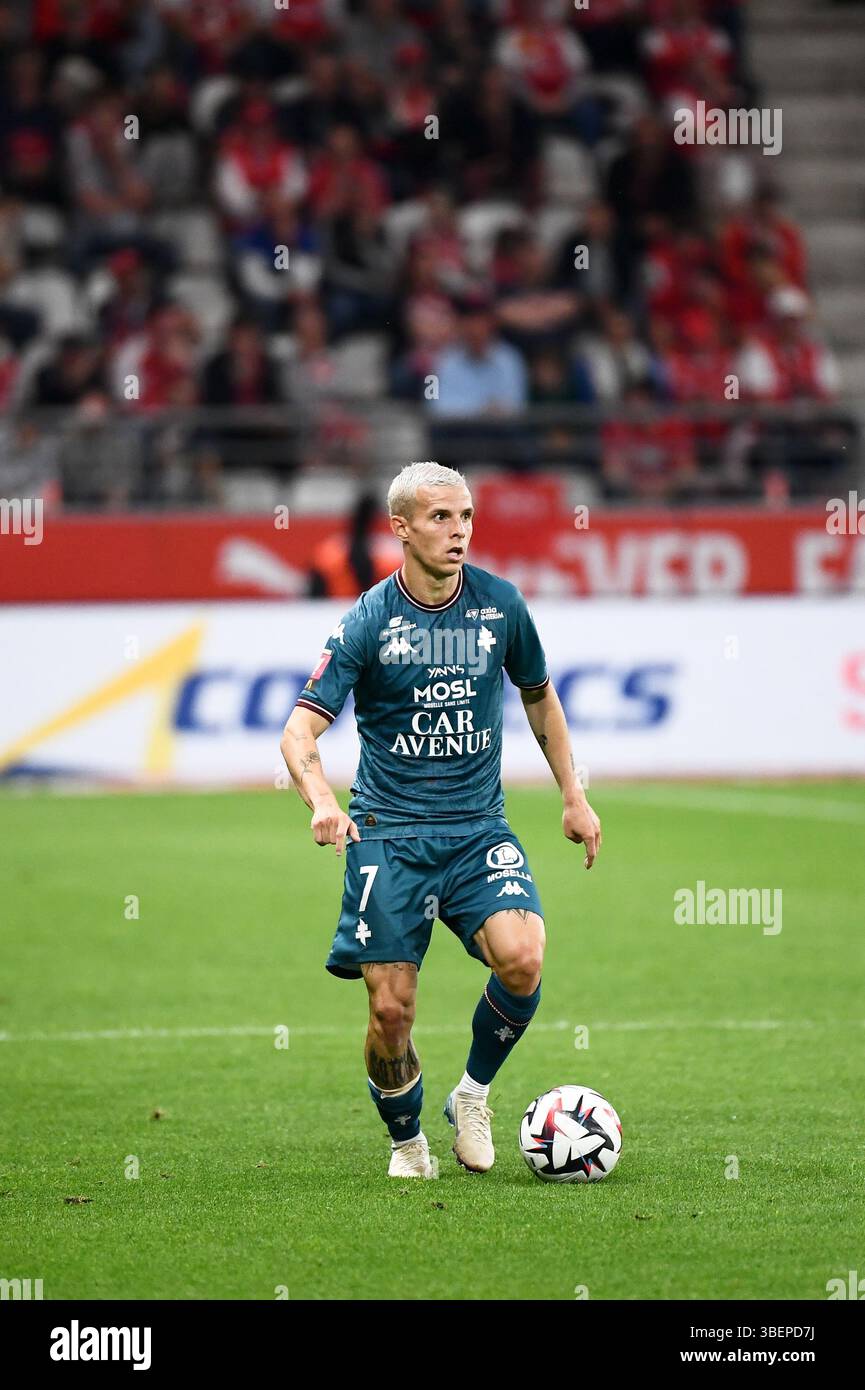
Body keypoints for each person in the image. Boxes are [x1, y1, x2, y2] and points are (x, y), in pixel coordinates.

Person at [280, 461, 602, 1178]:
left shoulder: (501, 607)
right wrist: (324, 802)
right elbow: (298, 733)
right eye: (438, 519)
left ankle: (472, 1094)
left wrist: (572, 795)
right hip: (388, 838)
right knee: (391, 1014)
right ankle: (408, 1144)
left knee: (522, 958)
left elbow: (538, 697)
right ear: (399, 528)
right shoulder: (367, 619)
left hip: (477, 830)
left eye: (464, 518)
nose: (457, 532)